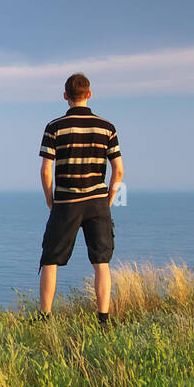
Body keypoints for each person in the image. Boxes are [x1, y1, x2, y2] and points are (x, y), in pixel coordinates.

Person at [38, 73, 124, 324]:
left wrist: (50, 200)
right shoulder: (107, 127)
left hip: (66, 202)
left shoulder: (54, 127)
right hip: (97, 201)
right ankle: (103, 319)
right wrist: (108, 199)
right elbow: (118, 170)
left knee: (50, 260)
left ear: (65, 96)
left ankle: (44, 319)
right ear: (89, 94)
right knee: (101, 261)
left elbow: (45, 170)